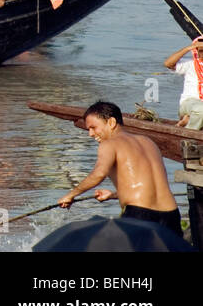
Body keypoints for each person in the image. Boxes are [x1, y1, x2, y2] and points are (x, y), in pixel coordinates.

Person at [58, 101, 182, 237]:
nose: (91, 134)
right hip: (171, 214)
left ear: (111, 122)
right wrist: (114, 195)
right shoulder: (148, 141)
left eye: (93, 127)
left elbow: (98, 174)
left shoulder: (109, 144)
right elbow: (151, 185)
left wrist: (71, 195)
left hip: (140, 214)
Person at [164, 38, 203, 130]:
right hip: (189, 102)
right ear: (196, 51)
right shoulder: (189, 64)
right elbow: (168, 64)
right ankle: (189, 134)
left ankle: (189, 119)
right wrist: (189, 48)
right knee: (201, 110)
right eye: (201, 50)